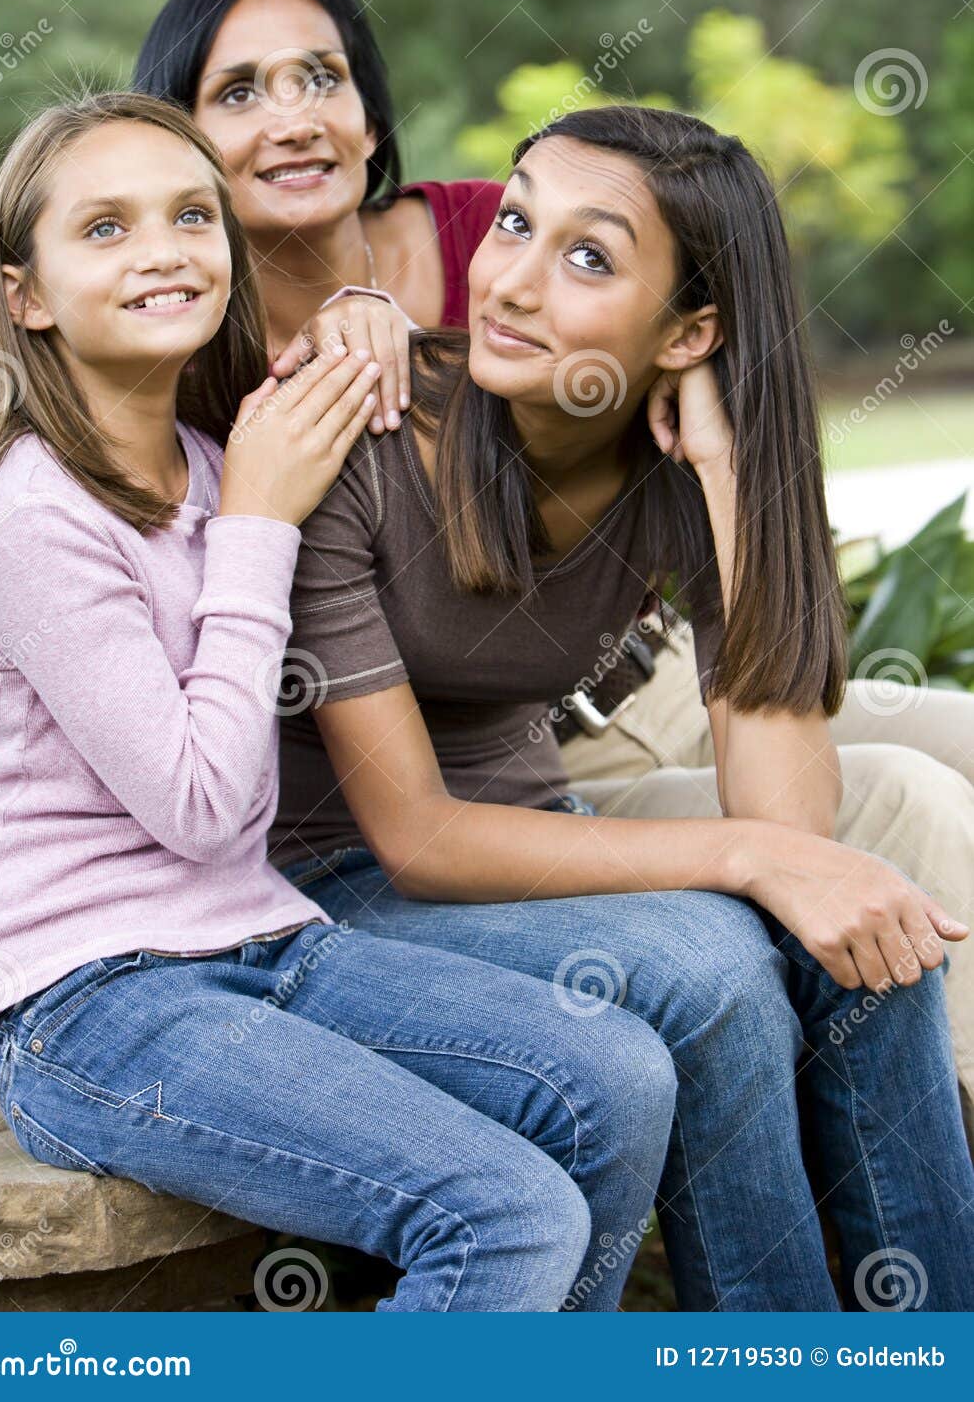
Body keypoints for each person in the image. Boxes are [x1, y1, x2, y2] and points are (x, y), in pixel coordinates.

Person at [135, 0, 974, 1121]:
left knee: (942, 766)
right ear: (173, 142)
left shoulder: (490, 229)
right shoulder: (183, 334)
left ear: (372, 115)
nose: (290, 118)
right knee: (895, 812)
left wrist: (722, 451)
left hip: (638, 673)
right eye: (237, 93)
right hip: (463, 756)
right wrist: (351, 332)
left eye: (319, 76)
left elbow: (641, 269)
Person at [0, 91, 680, 1314]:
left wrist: (366, 311)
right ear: (27, 296)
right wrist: (261, 525)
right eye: (104, 229)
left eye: (186, 215)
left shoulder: (229, 460)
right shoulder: (36, 516)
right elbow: (207, 809)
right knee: (506, 1214)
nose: (161, 248)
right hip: (86, 1001)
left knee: (617, 1079)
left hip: (263, 941)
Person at [268, 105, 974, 1311]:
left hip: (529, 856)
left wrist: (726, 475)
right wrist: (755, 860)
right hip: (323, 886)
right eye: (515, 222)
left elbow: (789, 817)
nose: (514, 282)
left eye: (587, 257)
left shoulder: (669, 469)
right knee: (715, 971)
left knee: (872, 933)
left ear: (692, 328)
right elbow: (415, 838)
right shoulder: (364, 434)